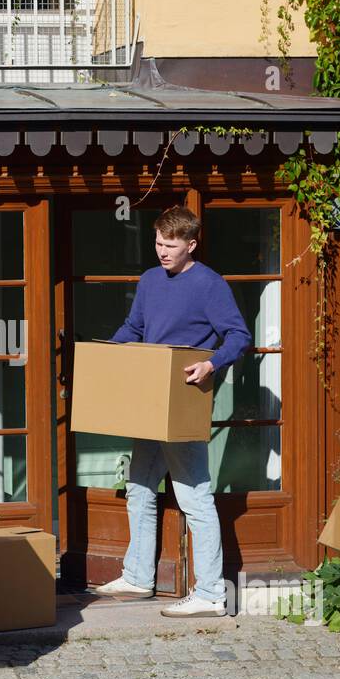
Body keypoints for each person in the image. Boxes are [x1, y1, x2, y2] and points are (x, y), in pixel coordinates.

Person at [92, 206, 253, 617]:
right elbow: (135, 329)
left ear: (191, 244)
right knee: (140, 488)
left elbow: (239, 335)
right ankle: (138, 576)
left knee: (194, 496)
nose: (162, 251)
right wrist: (109, 353)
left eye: (171, 245)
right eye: (158, 243)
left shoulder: (210, 285)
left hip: (183, 400)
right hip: (149, 398)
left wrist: (211, 364)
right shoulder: (149, 280)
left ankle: (212, 592)